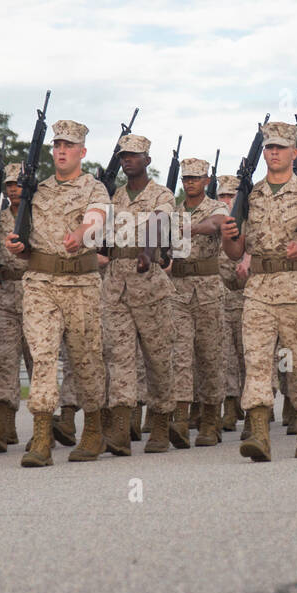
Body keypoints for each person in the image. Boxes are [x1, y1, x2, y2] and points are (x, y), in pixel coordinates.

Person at [220, 122, 297, 461]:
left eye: (281, 147)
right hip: (259, 292)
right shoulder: (249, 196)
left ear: (295, 153)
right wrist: (228, 234)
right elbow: (237, 253)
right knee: (258, 363)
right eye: (269, 147)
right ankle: (260, 434)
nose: (274, 152)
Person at [6, 120, 110, 466]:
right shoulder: (36, 190)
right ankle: (41, 436)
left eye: (68, 146)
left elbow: (97, 219)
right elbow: (23, 244)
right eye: (57, 145)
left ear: (82, 152)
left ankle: (93, 428)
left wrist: (82, 232)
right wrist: (17, 245)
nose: (61, 151)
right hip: (40, 285)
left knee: (86, 360)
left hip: (81, 285)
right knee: (43, 358)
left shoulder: (93, 188)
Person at [97, 134, 179, 454]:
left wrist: (147, 252)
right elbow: (102, 241)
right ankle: (120, 427)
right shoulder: (113, 197)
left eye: (133, 155)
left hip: (150, 287)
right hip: (115, 286)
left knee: (158, 359)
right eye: (122, 156)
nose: (126, 160)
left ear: (147, 159)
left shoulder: (162, 194)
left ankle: (160, 422)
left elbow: (160, 221)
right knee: (118, 358)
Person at [169, 157, 228, 446]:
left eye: (196, 177)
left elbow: (217, 224)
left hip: (207, 290)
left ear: (206, 180)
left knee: (209, 356)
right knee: (180, 356)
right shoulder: (174, 211)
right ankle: (179, 419)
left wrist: (191, 228)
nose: (190, 182)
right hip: (178, 290)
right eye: (186, 178)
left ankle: (210, 420)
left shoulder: (216, 207)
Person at [0, 162, 29, 446]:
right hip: (8, 292)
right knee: (4, 359)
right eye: (9, 184)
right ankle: (2, 425)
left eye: (18, 184)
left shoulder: (37, 215)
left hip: (36, 290)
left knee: (38, 360)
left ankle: (46, 422)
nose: (13, 189)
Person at [215, 175, 247, 433]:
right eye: (221, 196)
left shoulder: (246, 220)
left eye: (230, 196)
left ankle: (255, 406)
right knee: (225, 355)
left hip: (247, 296)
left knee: (249, 355)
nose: (225, 201)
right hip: (220, 297)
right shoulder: (215, 222)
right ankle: (229, 405)